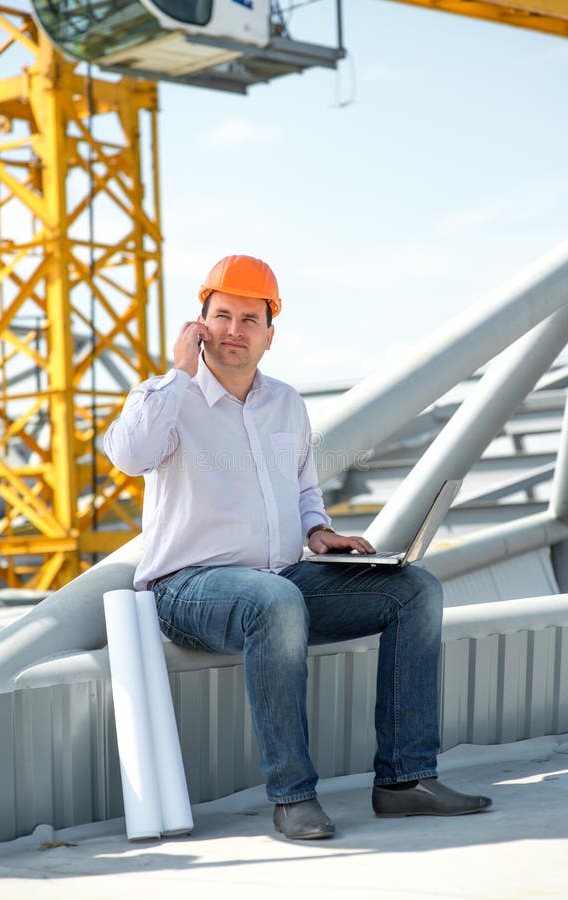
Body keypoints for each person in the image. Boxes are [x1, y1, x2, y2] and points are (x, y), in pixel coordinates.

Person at [104, 254, 492, 840]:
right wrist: (177, 373)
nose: (234, 331)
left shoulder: (285, 402)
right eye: (222, 316)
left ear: (269, 333)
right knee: (274, 601)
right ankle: (293, 796)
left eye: (249, 320)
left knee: (414, 589)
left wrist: (318, 531)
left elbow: (303, 485)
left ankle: (405, 781)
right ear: (199, 322)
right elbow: (128, 457)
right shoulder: (166, 397)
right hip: (186, 589)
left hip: (281, 575)